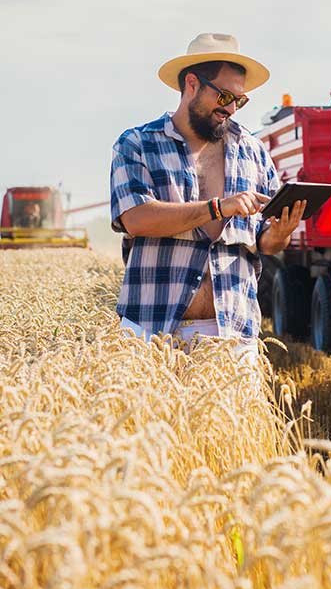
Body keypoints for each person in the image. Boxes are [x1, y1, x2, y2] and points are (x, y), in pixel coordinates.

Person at [109, 32, 306, 363]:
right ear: (191, 84)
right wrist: (217, 207)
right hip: (151, 329)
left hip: (233, 333)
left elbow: (266, 243)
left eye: (239, 101)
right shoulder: (136, 144)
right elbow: (136, 218)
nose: (230, 108)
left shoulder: (253, 153)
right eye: (225, 95)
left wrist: (281, 233)